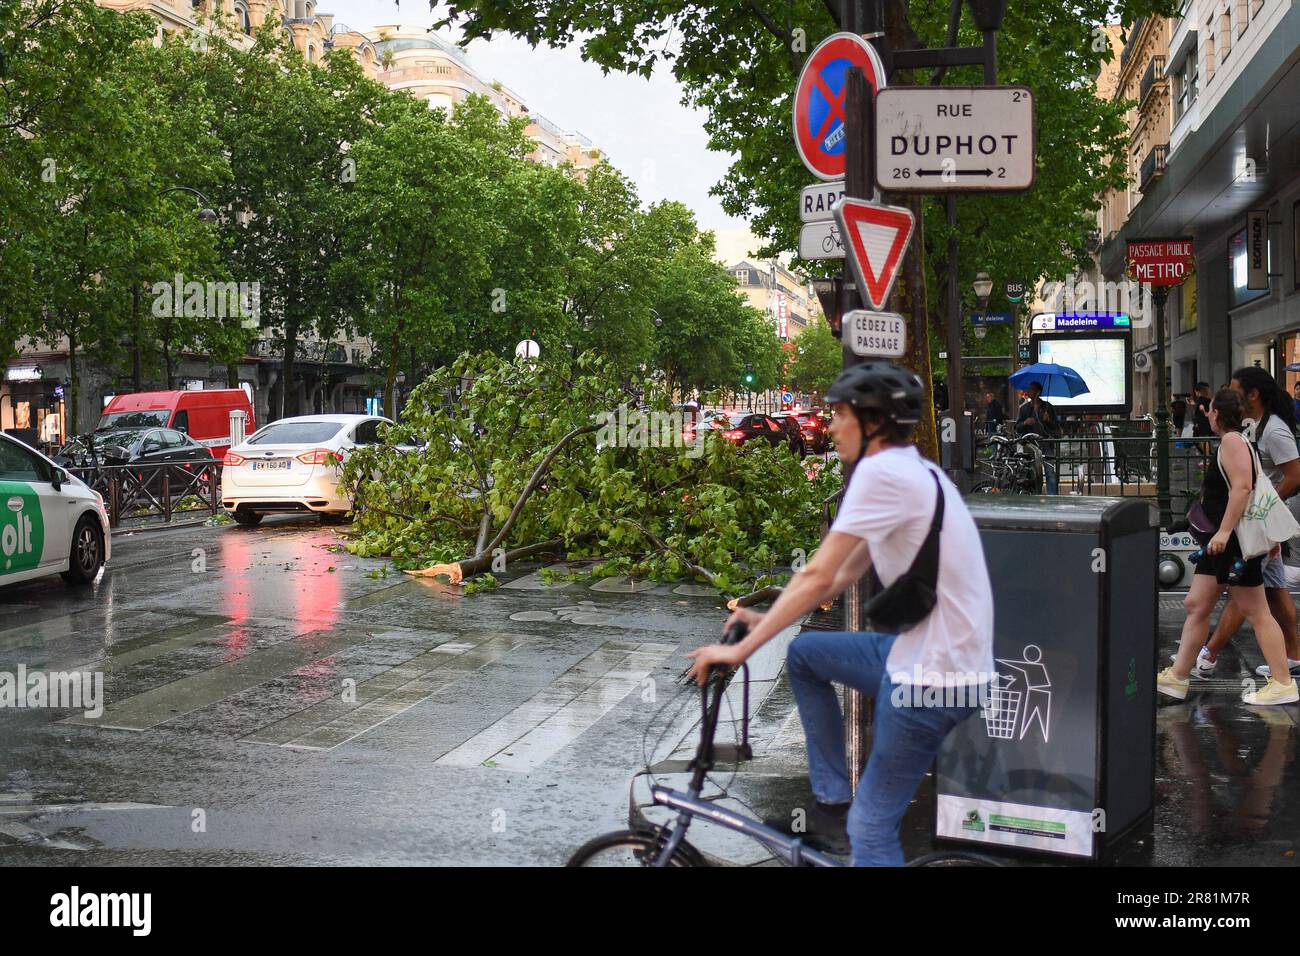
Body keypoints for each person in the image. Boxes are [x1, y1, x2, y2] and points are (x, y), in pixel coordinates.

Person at [685, 362, 994, 866]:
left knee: (871, 828)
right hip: (937, 657)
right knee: (806, 653)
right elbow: (847, 569)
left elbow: (819, 577)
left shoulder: (881, 473)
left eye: (840, 415)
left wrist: (740, 648)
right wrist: (769, 621)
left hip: (932, 677)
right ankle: (831, 800)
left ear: (872, 421)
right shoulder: (919, 471)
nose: (829, 426)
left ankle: (848, 819)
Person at [1158, 387, 1299, 704]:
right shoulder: (1236, 441)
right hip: (1222, 544)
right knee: (1196, 604)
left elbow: (1243, 488)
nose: (1206, 415)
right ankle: (1179, 676)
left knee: (1258, 611)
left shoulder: (1233, 441)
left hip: (1231, 543)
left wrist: (1222, 533)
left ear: (1216, 413)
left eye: (1208, 410)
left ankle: (1282, 682)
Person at [1190, 368, 1300, 680]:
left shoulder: (1273, 430)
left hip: (1259, 526)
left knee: (1248, 597)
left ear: (1252, 395)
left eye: (1236, 391)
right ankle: (1291, 659)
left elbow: (1292, 476)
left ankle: (1209, 653)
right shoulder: (1253, 428)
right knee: (1273, 593)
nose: (1230, 396)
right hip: (1260, 525)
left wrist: (1259, 512)